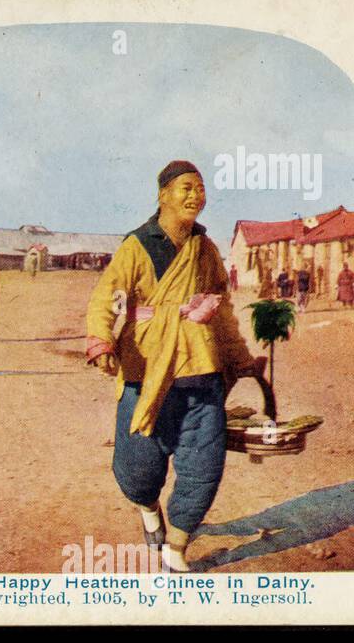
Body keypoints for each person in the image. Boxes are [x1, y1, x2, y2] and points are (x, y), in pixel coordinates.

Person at [85, 160, 264, 573]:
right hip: (145, 371)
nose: (194, 195)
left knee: (204, 464)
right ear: (163, 194)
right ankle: (150, 512)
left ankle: (176, 549)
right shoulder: (137, 245)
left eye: (200, 188)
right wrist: (102, 338)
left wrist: (239, 357)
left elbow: (221, 312)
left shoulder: (205, 249)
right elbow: (107, 297)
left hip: (200, 370)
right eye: (185, 187)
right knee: (138, 468)